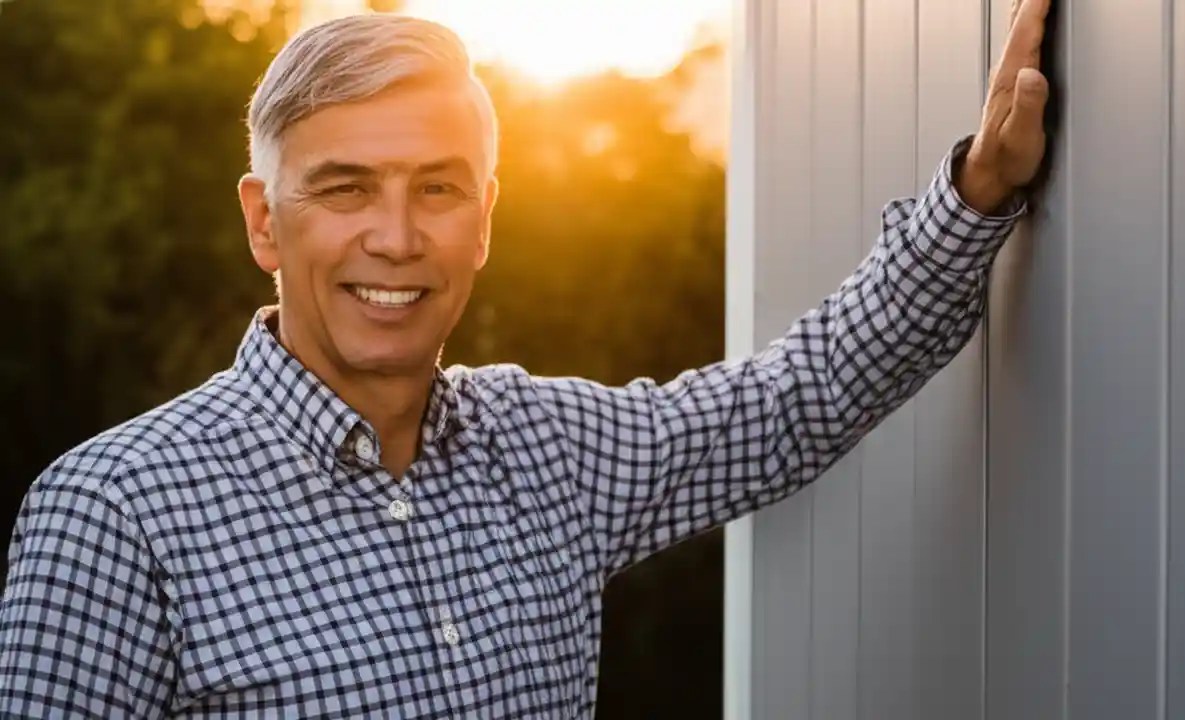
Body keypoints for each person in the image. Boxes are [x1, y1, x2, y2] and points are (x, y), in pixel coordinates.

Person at [0, 0, 1051, 716]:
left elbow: (793, 403)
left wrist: (976, 190)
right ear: (264, 223)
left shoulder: (549, 449)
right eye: (345, 187)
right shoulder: (115, 514)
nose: (398, 238)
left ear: (484, 221)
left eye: (438, 188)